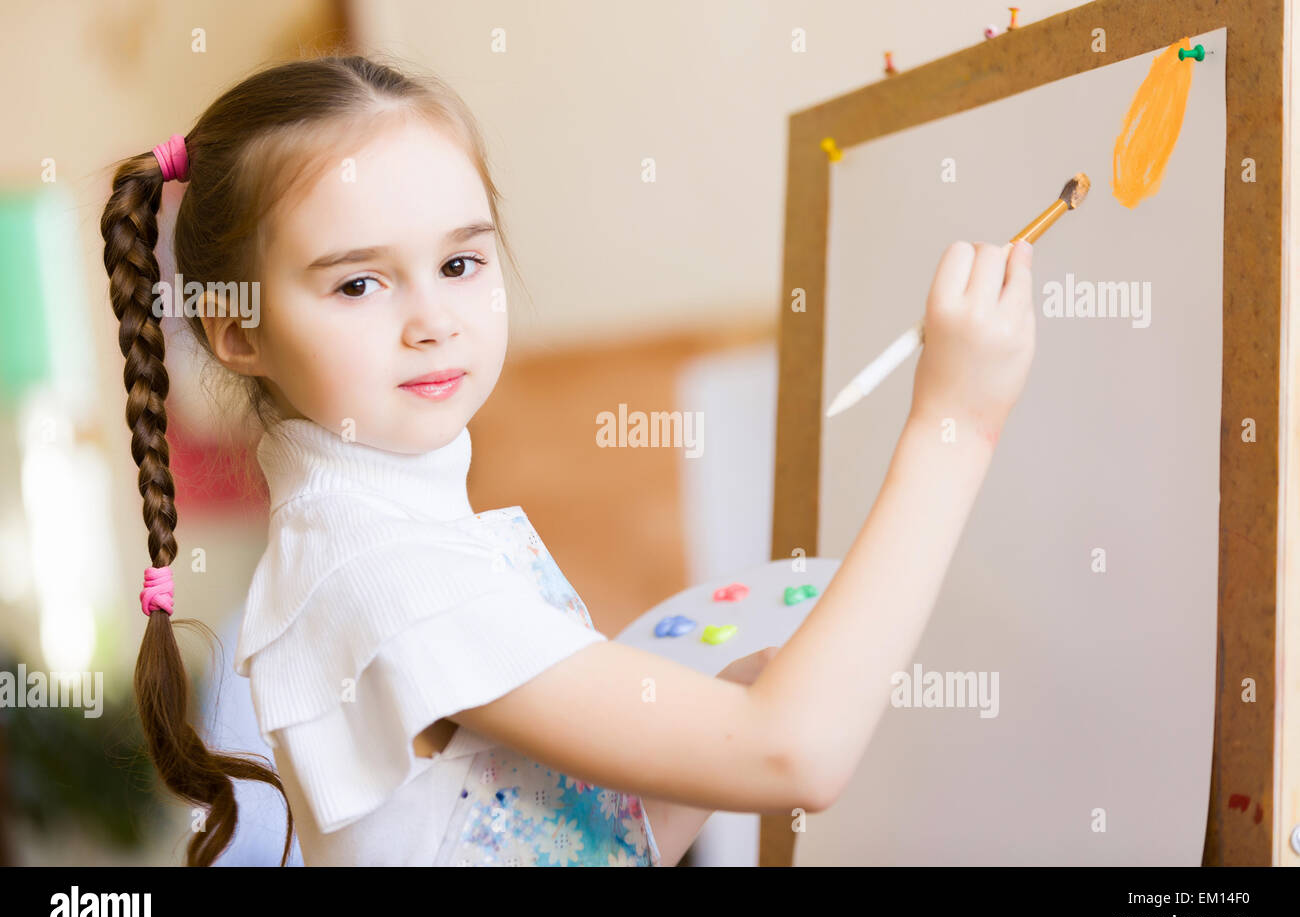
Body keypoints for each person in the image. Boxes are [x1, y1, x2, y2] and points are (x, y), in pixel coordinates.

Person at [98, 53, 1035, 866]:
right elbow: (797, 756)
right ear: (238, 332)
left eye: (461, 264)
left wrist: (728, 709)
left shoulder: (374, 534)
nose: (432, 320)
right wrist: (957, 420)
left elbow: (566, 846)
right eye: (358, 282)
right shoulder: (391, 575)